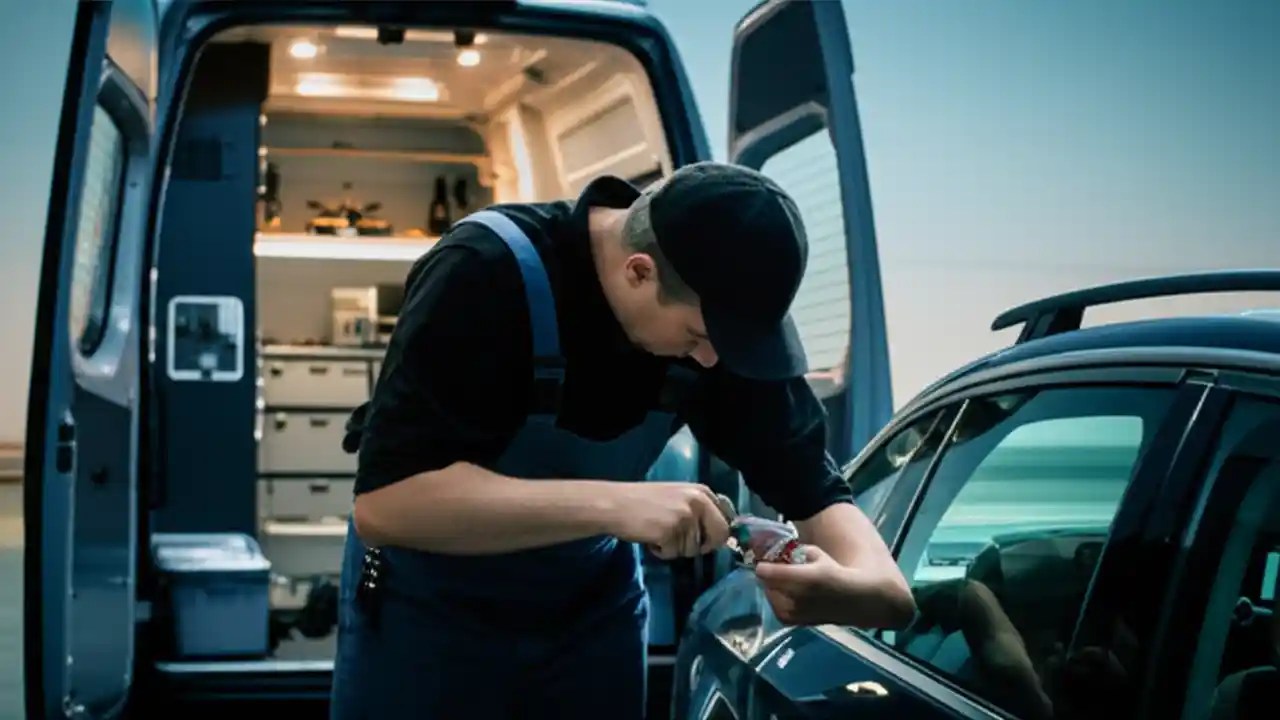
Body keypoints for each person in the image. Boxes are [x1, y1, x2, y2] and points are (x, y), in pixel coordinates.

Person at [329, 161, 916, 719]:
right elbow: (387, 503)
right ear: (639, 271)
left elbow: (823, 503)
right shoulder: (483, 271)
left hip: (587, 613)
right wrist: (619, 505)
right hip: (429, 614)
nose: (713, 360)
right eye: (698, 335)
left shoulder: (719, 320)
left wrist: (864, 589)